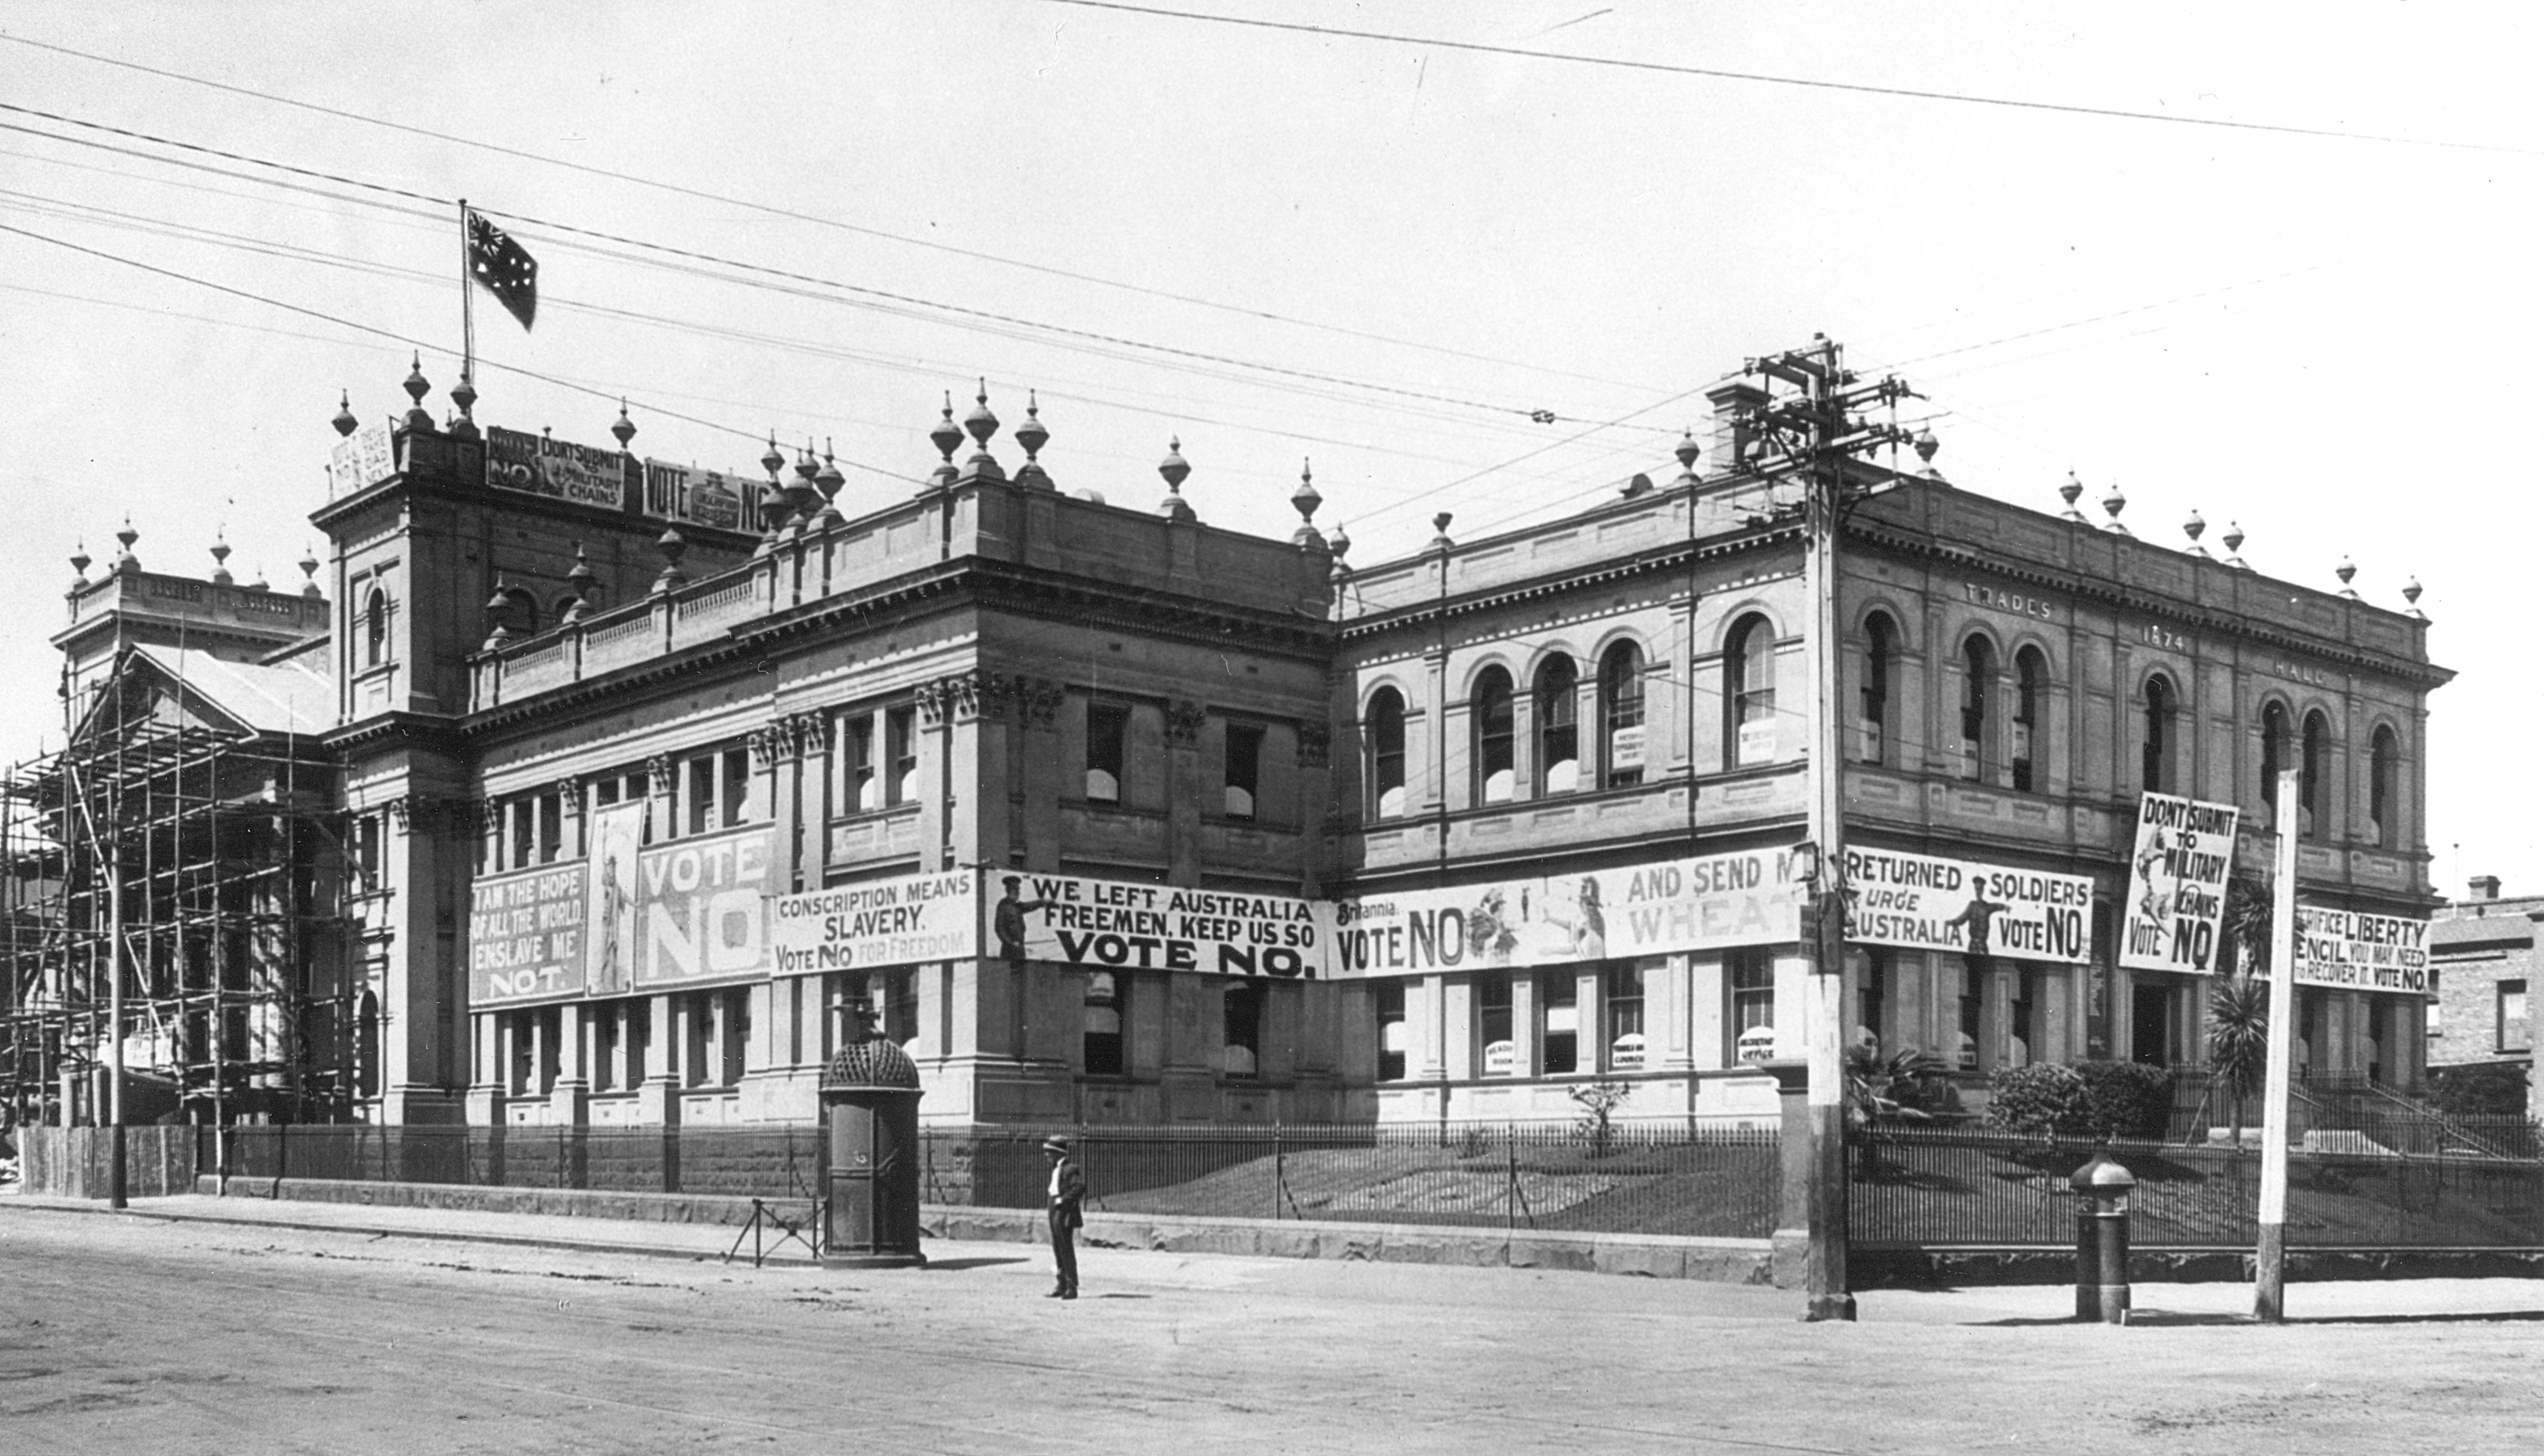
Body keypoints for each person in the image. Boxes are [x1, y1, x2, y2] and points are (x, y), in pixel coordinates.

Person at [1041, 1134, 1085, 1299]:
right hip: (1054, 1208)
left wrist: (1062, 1200)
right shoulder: (1055, 1169)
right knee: (1057, 1247)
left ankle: (1072, 1287)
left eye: (1050, 1152)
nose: (1047, 1155)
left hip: (1063, 1211)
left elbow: (1079, 1187)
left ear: (1058, 1153)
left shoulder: (1070, 1169)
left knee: (1066, 1248)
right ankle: (1061, 1284)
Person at [995, 876, 1054, 967]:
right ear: (1009, 890)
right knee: (1011, 973)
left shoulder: (1017, 905)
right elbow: (999, 929)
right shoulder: (1003, 905)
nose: (1018, 892)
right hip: (1009, 949)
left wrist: (1042, 902)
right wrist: (1010, 943)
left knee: (1021, 972)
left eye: (1018, 889)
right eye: (1015, 889)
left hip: (1020, 948)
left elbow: (1028, 906)